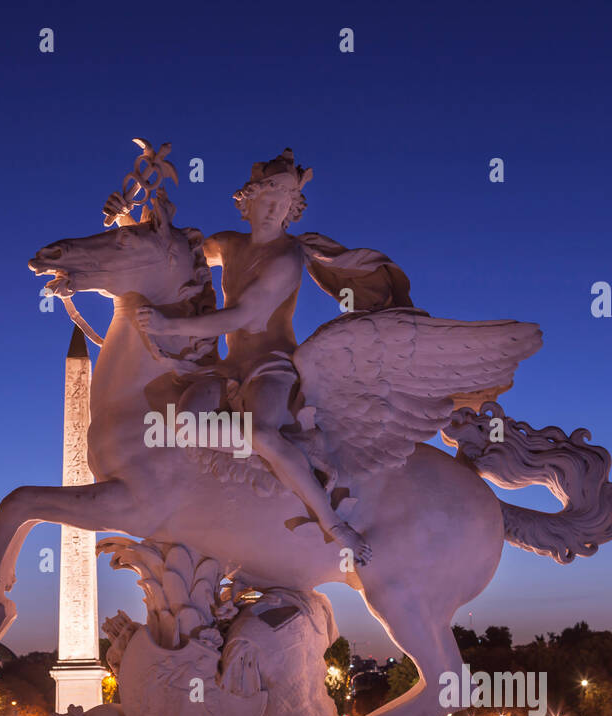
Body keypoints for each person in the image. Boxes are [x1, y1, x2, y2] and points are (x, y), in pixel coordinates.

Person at [128, 150, 415, 564]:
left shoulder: (287, 256)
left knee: (263, 434)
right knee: (180, 425)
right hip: (226, 367)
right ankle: (262, 471)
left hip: (272, 365)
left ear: (291, 211)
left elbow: (245, 314)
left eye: (282, 205)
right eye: (265, 201)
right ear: (247, 203)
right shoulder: (227, 244)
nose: (273, 211)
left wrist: (167, 326)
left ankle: (334, 524)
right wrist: (131, 219)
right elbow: (172, 252)